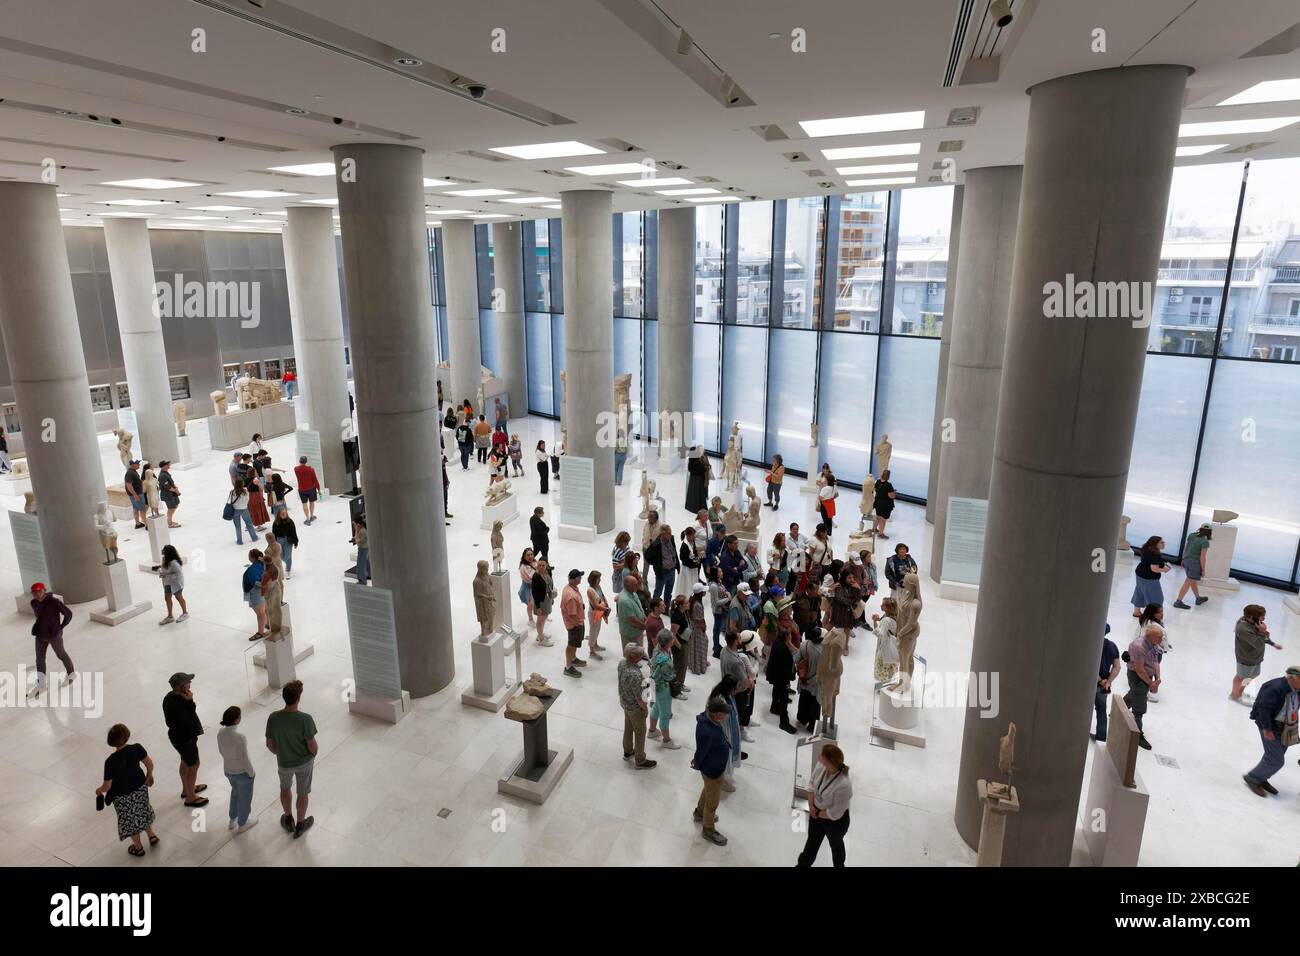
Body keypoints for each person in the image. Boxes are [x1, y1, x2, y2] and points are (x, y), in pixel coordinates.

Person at [95, 724, 159, 857]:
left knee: (129, 820)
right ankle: (152, 836)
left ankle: (138, 847)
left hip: (122, 795)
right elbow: (150, 764)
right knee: (143, 809)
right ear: (127, 735)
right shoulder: (136, 748)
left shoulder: (110, 762)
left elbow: (107, 786)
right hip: (140, 787)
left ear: (111, 741)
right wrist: (149, 775)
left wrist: (99, 790)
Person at [265, 679, 318, 838]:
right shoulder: (305, 719)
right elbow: (311, 744)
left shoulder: (273, 717)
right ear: (298, 698)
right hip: (304, 762)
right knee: (303, 792)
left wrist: (280, 753)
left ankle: (288, 818)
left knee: (285, 788)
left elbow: (269, 744)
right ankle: (301, 824)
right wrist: (313, 754)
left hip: (284, 763)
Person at [1242, 665, 1300, 797]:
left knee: (1274, 755)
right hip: (1271, 726)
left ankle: (1262, 777)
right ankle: (1253, 778)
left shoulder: (1297, 688)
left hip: (1287, 727)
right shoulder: (1275, 687)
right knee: (1276, 760)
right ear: (1292, 678)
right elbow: (1264, 710)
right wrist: (1267, 729)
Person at [796, 743, 852, 867]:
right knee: (811, 844)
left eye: (822, 757)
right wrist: (811, 806)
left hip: (835, 822)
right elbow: (811, 785)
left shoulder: (844, 785)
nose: (819, 758)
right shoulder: (822, 765)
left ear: (831, 762)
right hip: (816, 813)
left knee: (836, 847)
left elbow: (836, 813)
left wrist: (818, 813)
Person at [162, 672, 208, 807]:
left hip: (178, 738)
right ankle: (191, 797)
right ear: (181, 686)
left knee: (185, 761)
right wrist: (190, 702)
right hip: (185, 738)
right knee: (193, 765)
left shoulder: (169, 698)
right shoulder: (179, 703)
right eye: (188, 682)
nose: (190, 684)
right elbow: (188, 719)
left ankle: (186, 789)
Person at [692, 697, 732, 846]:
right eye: (724, 713)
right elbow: (701, 752)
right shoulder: (708, 731)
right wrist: (697, 764)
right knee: (713, 803)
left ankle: (699, 813)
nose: (726, 715)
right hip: (712, 771)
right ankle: (708, 830)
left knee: (708, 790)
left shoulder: (710, 720)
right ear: (717, 715)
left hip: (714, 769)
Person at [28, 583, 74, 698]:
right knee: (39, 660)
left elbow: (68, 614)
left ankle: (71, 674)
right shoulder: (33, 603)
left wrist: (61, 626)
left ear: (44, 590)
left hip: (54, 635)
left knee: (61, 654)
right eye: (34, 592)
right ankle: (42, 685)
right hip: (40, 636)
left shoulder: (54, 602)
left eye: (39, 591)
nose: (37, 594)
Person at [217, 706, 258, 833]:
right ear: (236, 721)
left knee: (235, 793)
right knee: (245, 797)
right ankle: (243, 823)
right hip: (242, 773)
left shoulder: (220, 732)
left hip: (228, 770)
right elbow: (244, 758)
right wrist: (251, 773)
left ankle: (232, 819)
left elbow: (221, 751)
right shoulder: (239, 737)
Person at [1123, 624, 1163, 751]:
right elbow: (1139, 669)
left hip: (1147, 676)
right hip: (1137, 677)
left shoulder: (1154, 644)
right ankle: (1138, 735)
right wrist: (1150, 684)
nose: (1161, 640)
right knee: (1139, 708)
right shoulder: (1138, 647)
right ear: (1150, 637)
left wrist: (1157, 679)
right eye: (1159, 637)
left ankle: (1117, 710)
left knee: (1134, 694)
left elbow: (1156, 661)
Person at [617, 643, 657, 769]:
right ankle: (640, 760)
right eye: (640, 654)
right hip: (635, 708)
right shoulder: (635, 674)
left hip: (625, 703)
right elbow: (640, 698)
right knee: (640, 732)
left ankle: (628, 752)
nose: (642, 655)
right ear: (633, 657)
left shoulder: (622, 663)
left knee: (628, 728)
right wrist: (645, 710)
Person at [1232, 604, 1281, 702]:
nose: (1264, 619)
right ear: (1250, 617)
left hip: (1255, 657)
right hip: (1246, 658)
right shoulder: (1243, 629)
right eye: (1261, 617)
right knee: (1240, 677)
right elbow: (1258, 643)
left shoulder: (1254, 623)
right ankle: (1234, 695)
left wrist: (1273, 644)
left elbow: (1262, 639)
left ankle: (1240, 691)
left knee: (1253, 674)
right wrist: (1262, 631)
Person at [646, 631, 681, 749]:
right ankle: (666, 741)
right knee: (665, 714)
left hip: (654, 686)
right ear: (669, 642)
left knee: (656, 707)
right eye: (672, 639)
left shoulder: (657, 648)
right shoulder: (665, 660)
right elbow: (670, 676)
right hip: (663, 688)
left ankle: (651, 731)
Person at [767, 604, 798, 733]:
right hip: (782, 678)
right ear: (787, 637)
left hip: (775, 675)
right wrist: (789, 679)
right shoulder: (783, 650)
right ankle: (784, 722)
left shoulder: (778, 643)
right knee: (784, 698)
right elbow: (787, 665)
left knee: (776, 690)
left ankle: (774, 706)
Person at [1092, 624, 1121, 742]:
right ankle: (1101, 736)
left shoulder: (1091, 645)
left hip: (1091, 683)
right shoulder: (1112, 646)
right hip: (1104, 687)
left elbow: (1089, 667)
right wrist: (1107, 682)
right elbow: (1117, 667)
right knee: (1101, 710)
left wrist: (1100, 680)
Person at [1173, 523, 1212, 609]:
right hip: (1194, 563)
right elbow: (1202, 557)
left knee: (1192, 581)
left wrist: (1183, 559)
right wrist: (1203, 569)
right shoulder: (1205, 541)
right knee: (1188, 582)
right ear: (1210, 532)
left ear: (1200, 529)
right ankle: (1178, 601)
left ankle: (1198, 598)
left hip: (1187, 560)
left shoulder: (1192, 535)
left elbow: (1186, 548)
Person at [1131, 536, 1170, 616]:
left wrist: (1162, 565)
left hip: (1140, 574)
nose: (1164, 544)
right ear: (1155, 544)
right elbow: (1154, 568)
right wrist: (1165, 569)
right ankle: (1154, 616)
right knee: (1157, 598)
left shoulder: (1147, 549)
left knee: (1140, 592)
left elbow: (1150, 563)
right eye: (1161, 542)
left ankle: (1136, 612)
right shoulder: (1154, 554)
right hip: (1149, 578)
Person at [560, 568, 588, 678]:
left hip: (576, 622)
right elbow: (572, 615)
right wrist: (578, 625)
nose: (581, 578)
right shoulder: (571, 596)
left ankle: (573, 659)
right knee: (572, 644)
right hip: (574, 624)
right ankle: (568, 667)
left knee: (575, 643)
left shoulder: (569, 587)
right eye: (579, 577)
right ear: (576, 579)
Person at [795, 626, 823, 730]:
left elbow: (797, 659)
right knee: (815, 703)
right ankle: (812, 726)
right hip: (815, 683)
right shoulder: (823, 651)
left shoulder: (804, 644)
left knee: (803, 700)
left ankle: (802, 719)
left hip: (803, 680)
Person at [156, 544, 189, 625]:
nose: (162, 551)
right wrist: (160, 570)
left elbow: (178, 574)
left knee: (179, 597)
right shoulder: (165, 559)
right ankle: (170, 616)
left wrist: (165, 575)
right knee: (167, 598)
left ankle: (185, 613)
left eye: (164, 550)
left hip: (176, 583)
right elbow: (165, 569)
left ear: (168, 553)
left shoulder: (174, 563)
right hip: (167, 583)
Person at [871, 598, 899, 685]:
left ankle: (884, 687)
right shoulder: (895, 617)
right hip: (892, 648)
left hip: (884, 649)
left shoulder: (886, 620)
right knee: (890, 669)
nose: (880, 605)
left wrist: (874, 622)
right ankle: (889, 684)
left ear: (887, 608)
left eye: (883, 605)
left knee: (883, 670)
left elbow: (880, 634)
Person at [647, 524, 678, 601]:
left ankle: (666, 607)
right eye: (669, 533)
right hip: (662, 572)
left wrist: (676, 564)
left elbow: (674, 551)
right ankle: (654, 608)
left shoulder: (671, 539)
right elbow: (648, 556)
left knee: (669, 591)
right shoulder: (656, 544)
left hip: (672, 570)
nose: (671, 535)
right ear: (663, 534)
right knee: (658, 592)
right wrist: (657, 565)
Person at [617, 573, 646, 650]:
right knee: (632, 654)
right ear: (628, 586)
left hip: (638, 630)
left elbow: (639, 608)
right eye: (635, 584)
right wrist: (644, 625)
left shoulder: (633, 592)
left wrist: (644, 618)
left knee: (638, 650)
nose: (637, 585)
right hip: (630, 633)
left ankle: (640, 656)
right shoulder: (625, 600)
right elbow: (632, 619)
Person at [705, 565, 730, 658]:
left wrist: (726, 593)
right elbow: (716, 602)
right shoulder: (714, 586)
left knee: (718, 629)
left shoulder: (719, 582)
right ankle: (716, 649)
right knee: (717, 630)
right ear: (716, 574)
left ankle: (716, 645)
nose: (722, 573)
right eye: (720, 572)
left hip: (722, 610)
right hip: (718, 611)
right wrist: (728, 598)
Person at [243, 550, 267, 640]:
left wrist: (264, 585)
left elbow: (257, 583)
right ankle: (267, 624)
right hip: (262, 592)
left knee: (260, 613)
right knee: (264, 610)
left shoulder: (252, 570)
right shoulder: (263, 564)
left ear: (252, 558)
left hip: (255, 593)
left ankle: (260, 633)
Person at [531, 558, 556, 647]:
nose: (541, 567)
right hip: (540, 601)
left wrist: (552, 598)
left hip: (547, 598)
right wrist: (538, 607)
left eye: (543, 565)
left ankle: (540, 633)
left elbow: (550, 585)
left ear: (547, 565)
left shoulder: (548, 572)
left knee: (545, 617)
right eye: (539, 565)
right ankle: (541, 639)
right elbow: (534, 593)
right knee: (540, 620)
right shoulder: (536, 576)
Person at [586, 570, 610, 660]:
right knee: (593, 631)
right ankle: (592, 651)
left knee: (597, 629)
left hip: (600, 612)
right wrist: (606, 609)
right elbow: (595, 605)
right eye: (598, 578)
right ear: (594, 579)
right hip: (594, 613)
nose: (600, 580)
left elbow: (603, 596)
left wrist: (606, 604)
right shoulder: (590, 590)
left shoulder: (598, 586)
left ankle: (595, 645)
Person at [272, 508, 299, 580]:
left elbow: (294, 533)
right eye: (282, 513)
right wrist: (272, 544)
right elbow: (273, 534)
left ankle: (288, 570)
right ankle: (288, 564)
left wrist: (296, 542)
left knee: (288, 556)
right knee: (280, 556)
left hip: (288, 541)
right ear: (279, 514)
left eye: (285, 513)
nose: (284, 515)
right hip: (279, 541)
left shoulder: (290, 522)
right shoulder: (275, 523)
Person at [229, 478, 257, 545]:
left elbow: (231, 501)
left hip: (235, 510)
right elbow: (248, 499)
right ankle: (254, 538)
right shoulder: (245, 490)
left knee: (237, 526)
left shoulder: (232, 492)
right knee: (249, 524)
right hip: (244, 509)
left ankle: (239, 541)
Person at [293, 456, 320, 525]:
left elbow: (300, 469)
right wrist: (318, 489)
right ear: (306, 461)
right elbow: (315, 480)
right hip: (311, 489)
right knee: (311, 502)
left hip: (301, 489)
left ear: (299, 461)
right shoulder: (310, 469)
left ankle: (307, 519)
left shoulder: (296, 469)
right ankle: (312, 516)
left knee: (304, 504)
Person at [685, 445, 710, 514]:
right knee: (698, 495)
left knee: (692, 493)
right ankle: (698, 508)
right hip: (698, 480)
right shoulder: (696, 461)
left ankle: (691, 506)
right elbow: (703, 468)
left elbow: (690, 469)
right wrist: (705, 468)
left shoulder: (691, 460)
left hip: (693, 479)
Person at [873, 469, 897, 538]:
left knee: (877, 517)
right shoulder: (888, 485)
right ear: (888, 476)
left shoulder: (877, 482)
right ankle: (881, 534)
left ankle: (874, 529)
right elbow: (891, 496)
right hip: (885, 505)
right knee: (883, 519)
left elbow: (876, 490)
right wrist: (894, 492)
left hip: (877, 502)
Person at [678, 527, 702, 596]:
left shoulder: (693, 542)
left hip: (693, 568)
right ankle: (687, 597)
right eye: (693, 535)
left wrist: (697, 559)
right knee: (687, 584)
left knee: (693, 582)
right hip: (687, 569)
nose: (694, 537)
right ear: (688, 535)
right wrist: (693, 563)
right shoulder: (684, 545)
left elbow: (696, 552)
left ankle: (693, 596)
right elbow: (683, 559)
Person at [157, 460, 181, 528]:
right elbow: (168, 487)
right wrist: (176, 490)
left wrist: (175, 488)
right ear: (164, 466)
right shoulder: (162, 476)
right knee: (171, 508)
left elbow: (171, 482)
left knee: (175, 506)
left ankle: (169, 521)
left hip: (172, 494)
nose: (169, 466)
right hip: (168, 495)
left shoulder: (166, 473)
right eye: (168, 465)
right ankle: (169, 523)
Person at [123, 459, 147, 529]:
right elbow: (128, 485)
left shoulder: (133, 471)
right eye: (137, 464)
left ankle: (138, 523)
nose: (139, 465)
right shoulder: (130, 473)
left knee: (136, 508)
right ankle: (147, 525)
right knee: (142, 509)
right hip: (137, 494)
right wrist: (135, 495)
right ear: (132, 465)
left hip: (136, 494)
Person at [518, 548, 537, 622]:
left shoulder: (535, 562)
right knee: (530, 604)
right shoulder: (523, 567)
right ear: (524, 557)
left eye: (531, 554)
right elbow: (530, 578)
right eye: (528, 555)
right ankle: (530, 619)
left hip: (536, 586)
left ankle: (543, 614)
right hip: (528, 587)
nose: (530, 556)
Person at [611, 530, 631, 595]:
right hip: (620, 575)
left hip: (627, 571)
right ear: (621, 542)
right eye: (626, 542)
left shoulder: (626, 547)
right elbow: (615, 566)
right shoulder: (617, 551)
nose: (627, 544)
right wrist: (626, 563)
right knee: (621, 593)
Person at [353, 516, 370, 586]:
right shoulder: (360, 530)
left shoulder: (362, 531)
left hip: (364, 549)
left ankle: (362, 581)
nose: (354, 526)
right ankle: (366, 576)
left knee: (361, 565)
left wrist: (356, 538)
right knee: (363, 563)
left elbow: (359, 541)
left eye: (354, 524)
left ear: (358, 524)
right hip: (362, 549)